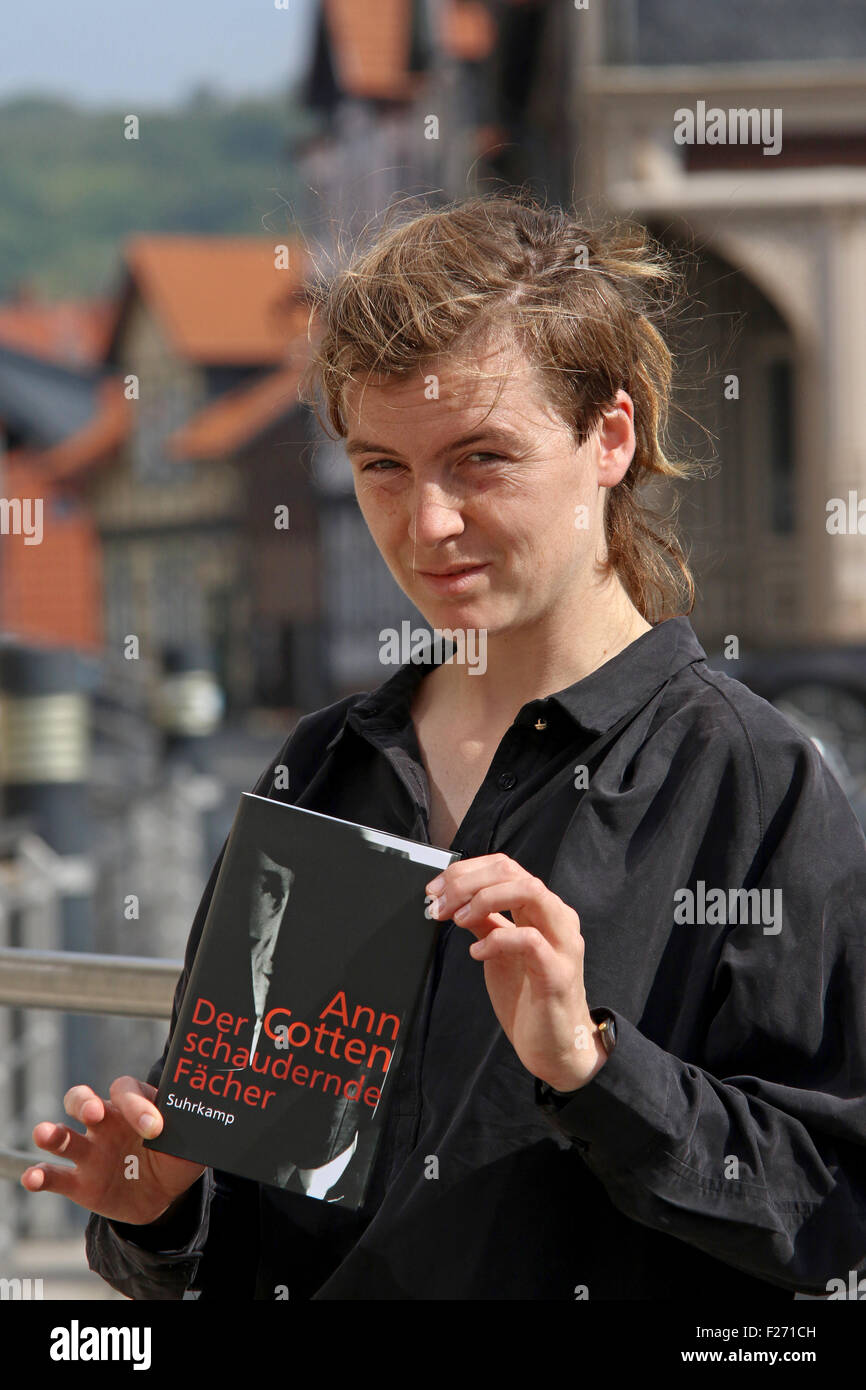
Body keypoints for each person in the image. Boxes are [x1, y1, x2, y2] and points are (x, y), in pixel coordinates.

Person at [22, 194, 866, 1300]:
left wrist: (591, 1066)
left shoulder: (753, 782)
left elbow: (825, 1211)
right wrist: (161, 1214)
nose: (425, 526)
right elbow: (252, 1233)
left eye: (478, 459)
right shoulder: (323, 768)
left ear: (608, 437)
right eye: (381, 466)